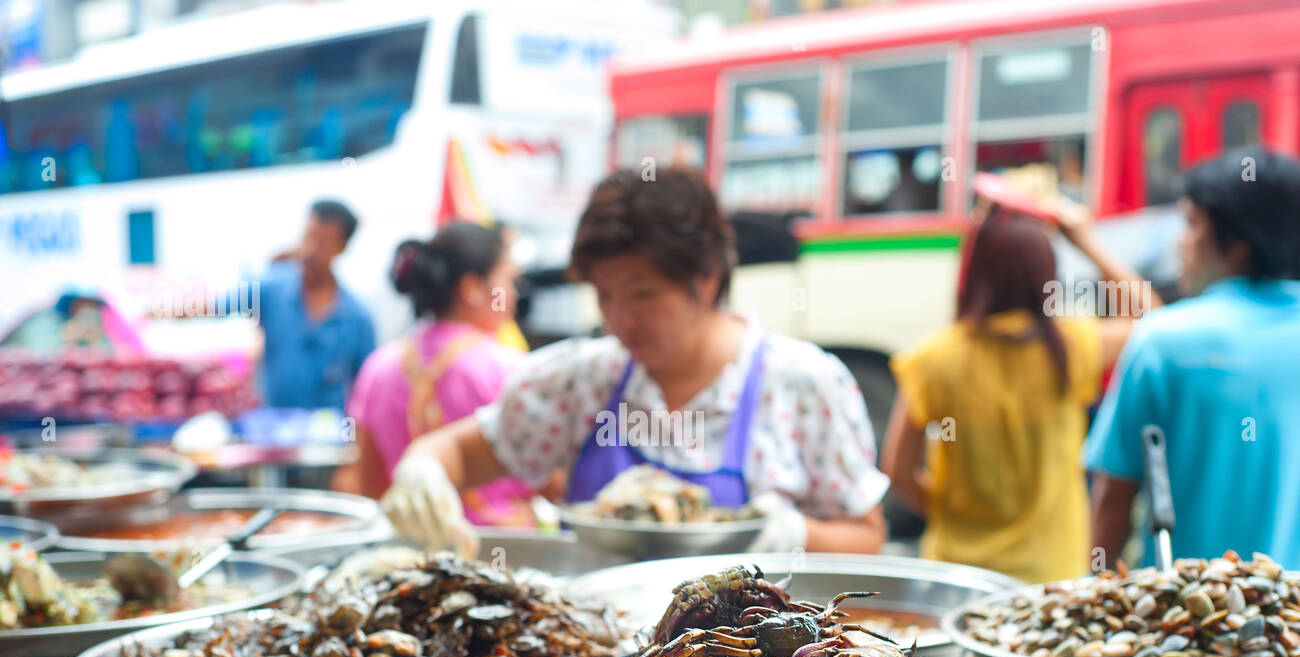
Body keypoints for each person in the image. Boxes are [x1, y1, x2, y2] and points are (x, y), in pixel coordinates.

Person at [380, 167, 889, 555]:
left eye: (642, 294)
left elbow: (868, 536)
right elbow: (462, 453)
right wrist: (424, 468)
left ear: (706, 278)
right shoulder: (585, 380)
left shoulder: (803, 383)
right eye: (604, 296)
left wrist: (793, 534)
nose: (620, 320)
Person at [881, 199, 1158, 583]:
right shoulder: (1071, 346)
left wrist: (950, 513)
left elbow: (898, 471)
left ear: (972, 271)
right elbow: (1155, 323)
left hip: (957, 573)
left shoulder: (934, 359)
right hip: (1050, 577)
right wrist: (1087, 242)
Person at [1086, 149, 1300, 568]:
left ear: (1238, 244)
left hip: (1182, 622)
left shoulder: (1163, 342)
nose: (1179, 244)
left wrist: (1094, 602)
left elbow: (1113, 497)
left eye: (1191, 225)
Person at [334, 222, 539, 527]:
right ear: (472, 289)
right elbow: (551, 477)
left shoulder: (379, 366)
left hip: (413, 554)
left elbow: (366, 485)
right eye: (508, 282)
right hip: (506, 550)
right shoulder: (506, 367)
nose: (511, 296)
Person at [256, 199, 375, 412]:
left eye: (322, 243)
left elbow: (366, 393)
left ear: (342, 248)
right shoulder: (271, 290)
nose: (310, 250)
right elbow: (217, 304)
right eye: (308, 237)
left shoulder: (358, 318)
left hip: (330, 438)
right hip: (272, 432)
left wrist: (350, 438)